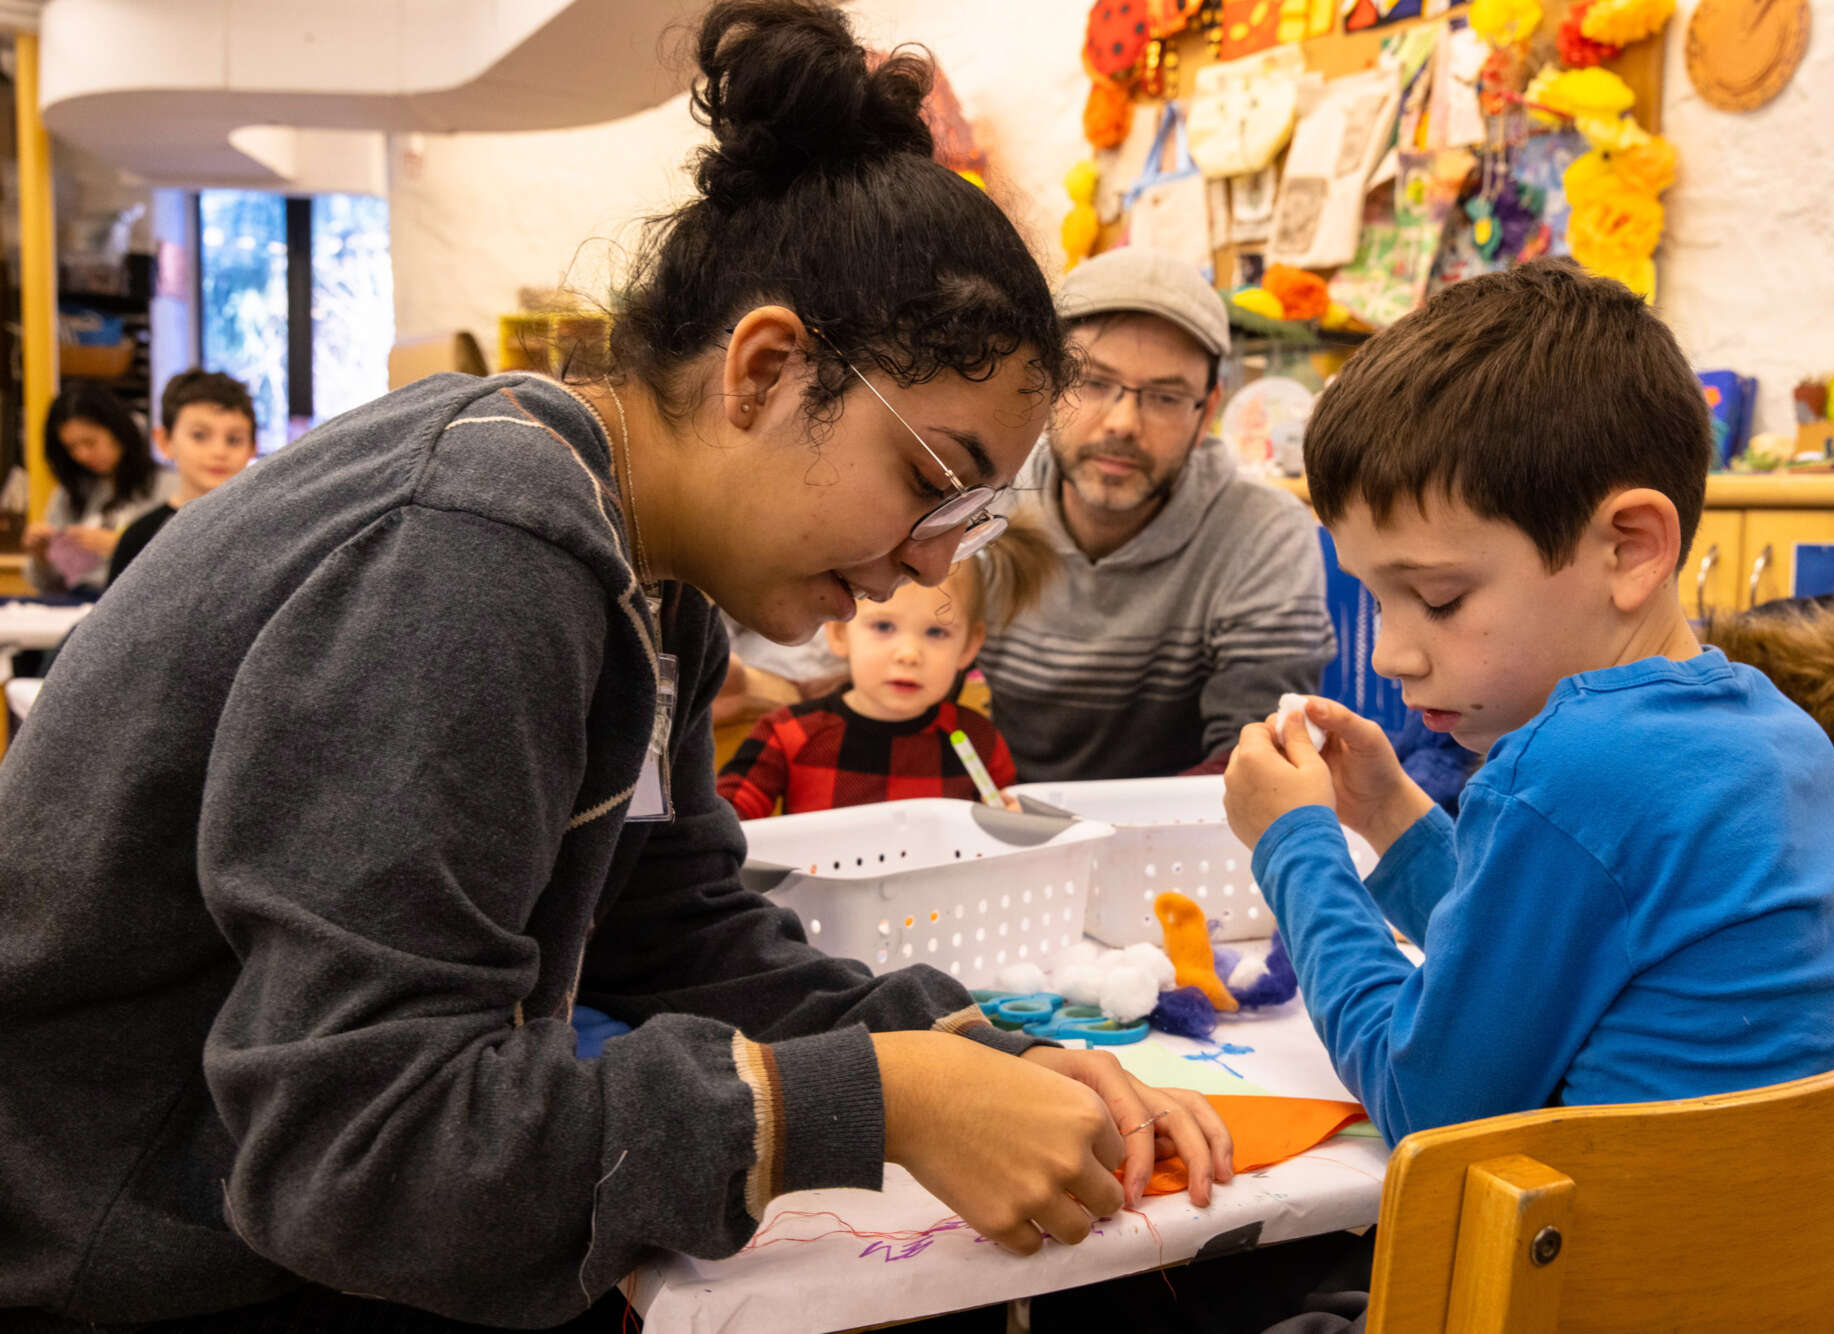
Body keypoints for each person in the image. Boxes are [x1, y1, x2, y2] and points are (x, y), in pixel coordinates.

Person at [0, 5, 1232, 1330]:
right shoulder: (477, 551)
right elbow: (355, 1146)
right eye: (933, 480)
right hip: (126, 1268)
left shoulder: (653, 582)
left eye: (972, 523)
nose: (931, 565)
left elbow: (669, 924)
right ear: (766, 369)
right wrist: (871, 1100)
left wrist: (958, 1045)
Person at [1223, 260, 1834, 1152]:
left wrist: (1295, 847)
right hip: (1797, 1237)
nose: (1388, 655)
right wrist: (1388, 813)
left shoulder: (1573, 764)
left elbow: (1423, 1103)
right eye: (1378, 600)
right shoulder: (1776, 729)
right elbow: (1539, 950)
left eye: (1439, 597)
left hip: (1624, 1242)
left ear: (1630, 549)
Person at [977, 247, 1334, 782]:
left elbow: (1258, 759)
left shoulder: (1262, 533)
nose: (1122, 422)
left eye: (1165, 397)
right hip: (999, 814)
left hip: (1183, 824)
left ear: (1206, 412)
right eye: (1093, 382)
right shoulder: (982, 507)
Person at [718, 525, 1052, 818]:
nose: (909, 654)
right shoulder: (786, 734)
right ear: (839, 633)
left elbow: (1004, 829)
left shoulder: (979, 741)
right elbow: (722, 822)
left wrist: (1013, 820)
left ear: (968, 646)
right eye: (884, 626)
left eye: (936, 632)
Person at [104, 369, 258, 587]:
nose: (219, 452)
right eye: (199, 436)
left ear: (253, 448)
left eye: (234, 440)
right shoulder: (140, 538)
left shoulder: (266, 531)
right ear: (165, 441)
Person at [23, 384, 168, 596]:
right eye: (71, 447)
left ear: (118, 431)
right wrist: (41, 556)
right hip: (75, 602)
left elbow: (179, 570)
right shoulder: (70, 493)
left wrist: (123, 547)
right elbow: (46, 585)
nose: (82, 455)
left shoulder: (167, 486)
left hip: (137, 600)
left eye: (90, 442)